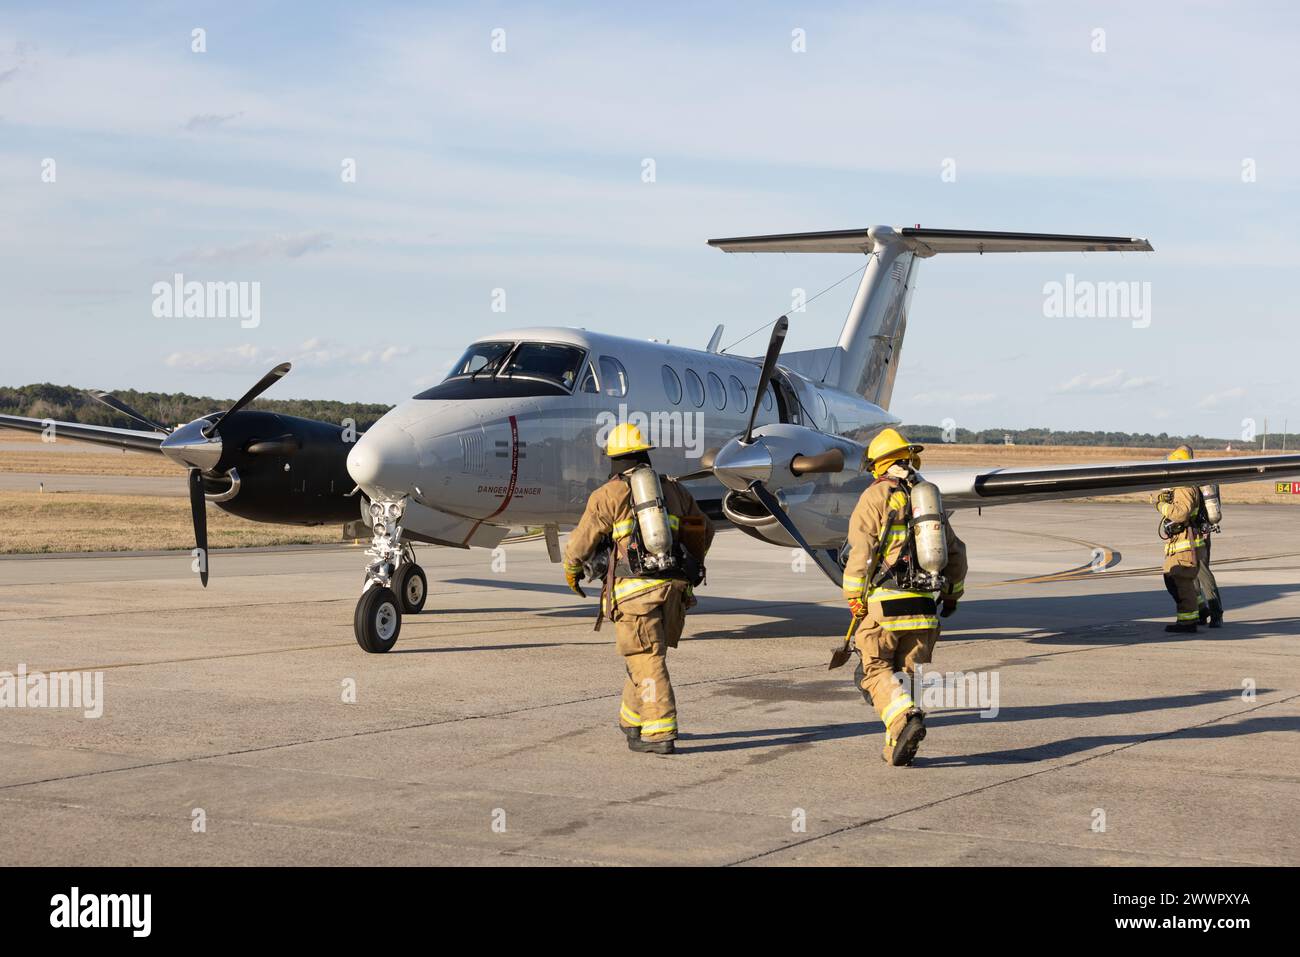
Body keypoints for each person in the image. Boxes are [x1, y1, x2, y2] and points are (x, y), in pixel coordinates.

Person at [562, 423, 713, 755]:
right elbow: (703, 528)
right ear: (646, 453)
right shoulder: (674, 490)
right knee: (644, 655)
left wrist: (572, 573)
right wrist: (693, 564)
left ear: (614, 459)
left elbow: (580, 544)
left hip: (634, 595)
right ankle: (632, 721)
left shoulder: (608, 495)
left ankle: (660, 731)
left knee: (645, 657)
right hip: (674, 590)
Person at [842, 428, 967, 766]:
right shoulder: (926, 500)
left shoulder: (876, 496)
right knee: (902, 677)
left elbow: (862, 550)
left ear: (879, 465)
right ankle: (895, 746)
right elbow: (955, 552)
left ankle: (906, 720)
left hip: (886, 604)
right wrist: (952, 595)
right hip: (925, 609)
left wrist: (854, 595)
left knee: (875, 671)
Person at [1154, 446, 1209, 633]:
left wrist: (1160, 505)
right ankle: (1199, 612)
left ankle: (1187, 622)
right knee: (1178, 579)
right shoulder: (1186, 485)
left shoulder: (1185, 487)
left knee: (1179, 581)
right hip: (1184, 544)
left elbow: (1181, 513)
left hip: (1185, 545)